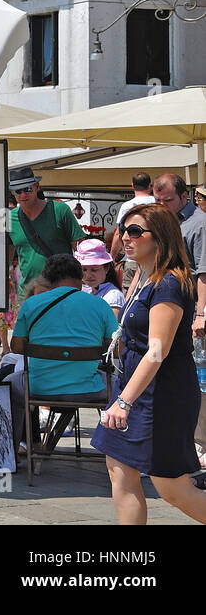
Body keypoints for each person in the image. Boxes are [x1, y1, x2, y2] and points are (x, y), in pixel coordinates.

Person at [92, 203, 206, 524]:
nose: (125, 238)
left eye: (135, 232)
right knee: (119, 469)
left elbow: (157, 350)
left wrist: (124, 401)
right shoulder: (141, 275)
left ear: (160, 238)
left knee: (172, 487)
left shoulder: (168, 283)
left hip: (162, 395)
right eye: (123, 231)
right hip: (136, 387)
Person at [6, 254, 118, 451]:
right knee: (123, 388)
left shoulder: (33, 304)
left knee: (9, 384)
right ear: (79, 276)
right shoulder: (100, 305)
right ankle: (119, 453)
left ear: (49, 279)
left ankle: (15, 449)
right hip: (88, 389)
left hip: (38, 387)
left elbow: (16, 347)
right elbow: (116, 349)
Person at [2, 166, 86, 350]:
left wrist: (87, 282)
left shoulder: (60, 210)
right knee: (32, 346)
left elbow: (81, 248)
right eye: (17, 190)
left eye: (28, 189)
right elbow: (5, 251)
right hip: (30, 293)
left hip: (63, 291)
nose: (23, 194)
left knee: (64, 344)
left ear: (37, 186)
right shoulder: (8, 218)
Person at [151, 173, 206, 340]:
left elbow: (203, 271)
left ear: (184, 196)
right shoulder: (163, 220)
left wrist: (200, 315)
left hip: (190, 306)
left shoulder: (200, 223)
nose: (161, 205)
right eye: (157, 200)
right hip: (167, 299)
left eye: (167, 200)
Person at [75, 238, 122, 310]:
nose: (88, 275)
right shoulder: (84, 290)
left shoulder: (112, 296)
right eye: (84, 269)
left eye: (94, 270)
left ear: (106, 268)